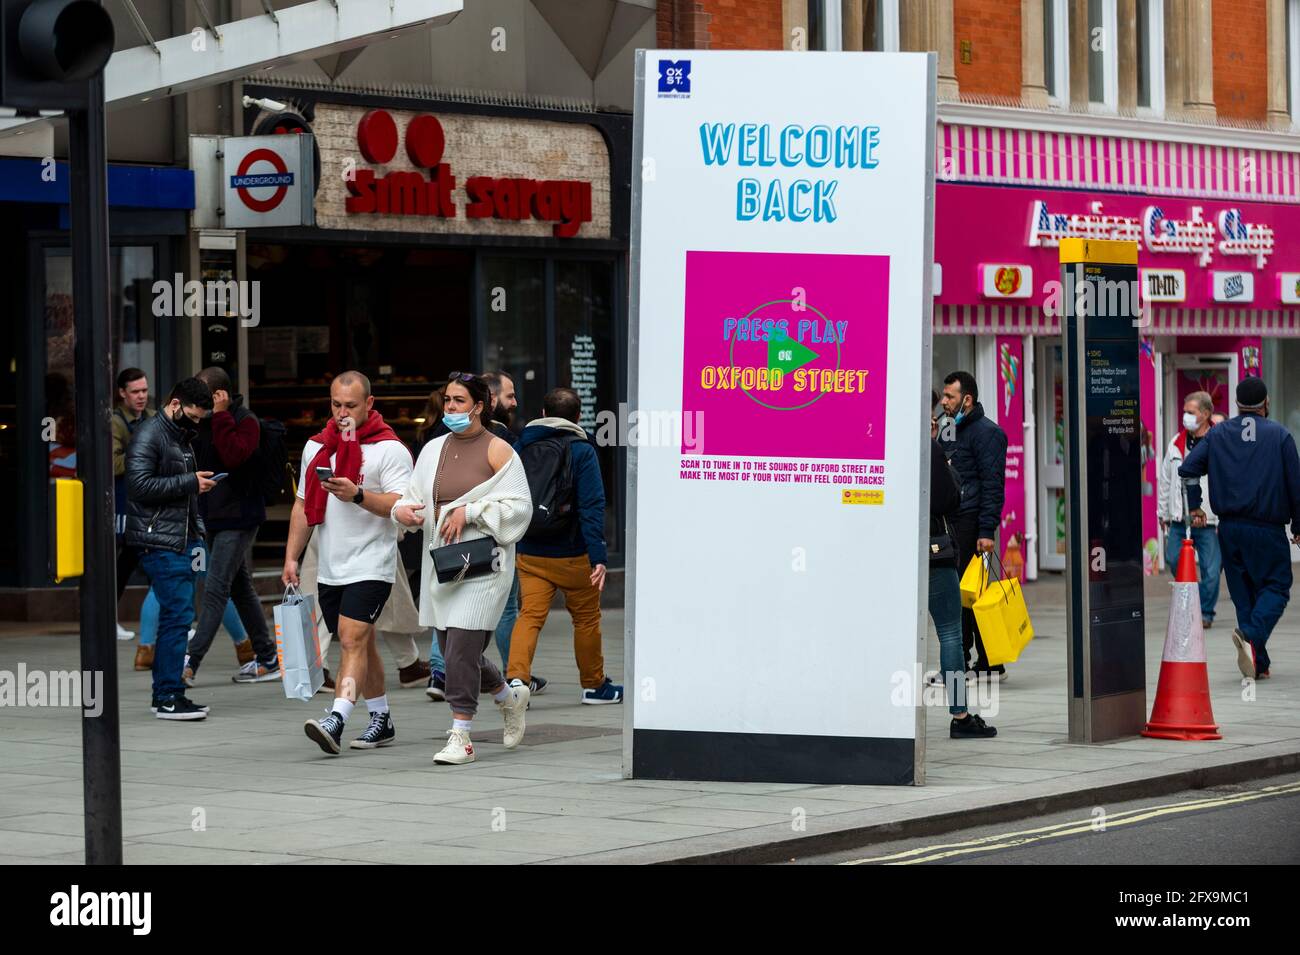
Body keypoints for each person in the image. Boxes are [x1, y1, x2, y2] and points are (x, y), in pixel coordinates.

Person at [393, 373, 532, 765]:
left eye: (458, 401)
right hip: (445, 563)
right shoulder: (433, 449)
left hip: (485, 566)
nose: (450, 408)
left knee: (458, 651)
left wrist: (469, 510)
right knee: (458, 649)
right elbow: (413, 498)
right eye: (447, 400)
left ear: (480, 405)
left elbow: (519, 509)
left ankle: (462, 736)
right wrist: (399, 511)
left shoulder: (499, 450)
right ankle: (508, 698)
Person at [284, 372, 414, 754]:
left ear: (369, 404)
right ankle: (382, 718)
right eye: (336, 405)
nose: (342, 414)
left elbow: (401, 505)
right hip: (330, 565)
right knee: (363, 641)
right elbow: (302, 504)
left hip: (373, 562)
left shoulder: (389, 449)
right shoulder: (316, 447)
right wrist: (292, 556)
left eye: (351, 406)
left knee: (352, 639)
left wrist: (358, 495)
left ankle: (336, 718)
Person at [1179, 377, 1300, 681]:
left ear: (1237, 404)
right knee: (1276, 586)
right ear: (1266, 403)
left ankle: (1258, 662)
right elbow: (1295, 487)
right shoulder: (1281, 436)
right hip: (1267, 528)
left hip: (1229, 529)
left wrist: (1195, 504)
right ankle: (1249, 634)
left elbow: (1188, 469)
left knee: (1244, 594)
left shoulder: (1218, 435)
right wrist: (1298, 525)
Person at [506, 387, 622, 704]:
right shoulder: (582, 451)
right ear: (578, 417)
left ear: (543, 414)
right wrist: (598, 555)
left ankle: (516, 682)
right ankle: (594, 686)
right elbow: (592, 506)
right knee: (585, 619)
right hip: (573, 555)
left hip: (529, 551)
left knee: (529, 616)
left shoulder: (521, 447)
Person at [124, 377, 216, 721]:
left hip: (180, 537)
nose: (196, 424)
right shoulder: (150, 434)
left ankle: (168, 693)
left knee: (179, 615)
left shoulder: (179, 436)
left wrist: (198, 532)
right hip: (160, 540)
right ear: (175, 404)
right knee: (177, 616)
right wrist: (190, 481)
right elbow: (138, 485)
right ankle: (166, 695)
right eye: (192, 416)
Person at [186, 367, 280, 684]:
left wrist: (223, 415)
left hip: (240, 517)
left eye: (201, 392)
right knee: (240, 587)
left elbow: (234, 455)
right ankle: (268, 657)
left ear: (219, 395)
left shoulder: (244, 420)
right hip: (214, 515)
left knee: (214, 589)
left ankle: (189, 662)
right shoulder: (202, 420)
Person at [928, 411, 996, 738]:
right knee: (951, 633)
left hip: (895, 555)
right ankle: (960, 714)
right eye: (931, 419)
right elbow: (949, 500)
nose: (936, 425)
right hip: (933, 553)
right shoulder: (928, 451)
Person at [938, 371, 1009, 679]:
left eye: (949, 397)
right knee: (967, 593)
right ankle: (988, 663)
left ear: (966, 399)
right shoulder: (948, 427)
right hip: (951, 521)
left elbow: (993, 485)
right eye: (943, 396)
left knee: (966, 593)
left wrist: (986, 531)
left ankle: (972, 660)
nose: (944, 401)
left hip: (971, 522)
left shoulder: (987, 433)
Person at [1157, 391, 1220, 626]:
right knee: (1174, 560)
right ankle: (1192, 600)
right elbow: (1165, 480)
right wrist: (1162, 513)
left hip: (1209, 519)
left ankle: (1205, 613)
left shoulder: (1219, 441)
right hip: (1178, 518)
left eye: (1190, 412)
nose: (1185, 416)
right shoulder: (1176, 443)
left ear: (1205, 414)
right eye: (1184, 412)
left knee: (1211, 572)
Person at [113, 368, 153, 649]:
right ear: (122, 393)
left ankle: (171, 617)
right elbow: (112, 464)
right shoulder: (115, 423)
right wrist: (143, 456)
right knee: (132, 558)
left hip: (148, 502)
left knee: (137, 559)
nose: (141, 396)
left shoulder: (151, 418)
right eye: (135, 391)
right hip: (125, 502)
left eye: (144, 390)